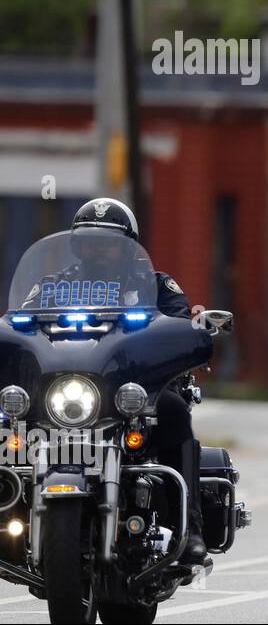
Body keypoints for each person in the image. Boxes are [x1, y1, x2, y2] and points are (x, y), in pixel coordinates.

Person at [31, 199, 210, 568]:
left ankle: (190, 529)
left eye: (108, 242)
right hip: (66, 390)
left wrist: (194, 325)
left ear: (128, 246)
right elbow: (20, 322)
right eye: (90, 241)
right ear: (77, 245)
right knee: (8, 419)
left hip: (136, 392)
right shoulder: (53, 287)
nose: (99, 249)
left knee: (174, 411)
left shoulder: (156, 285)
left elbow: (180, 325)